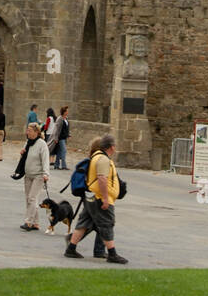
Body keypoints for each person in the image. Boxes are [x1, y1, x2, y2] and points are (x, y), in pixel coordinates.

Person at [65, 135, 128, 264]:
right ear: (111, 147)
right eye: (114, 146)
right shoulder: (103, 159)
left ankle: (71, 248)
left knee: (84, 223)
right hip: (100, 197)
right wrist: (105, 198)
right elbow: (102, 179)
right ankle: (112, 253)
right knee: (106, 224)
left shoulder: (96, 156)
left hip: (91, 196)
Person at [19, 122, 50, 230]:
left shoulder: (42, 144)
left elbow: (45, 159)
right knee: (29, 198)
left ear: (36, 132)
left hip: (38, 175)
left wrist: (46, 174)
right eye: (27, 130)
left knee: (32, 198)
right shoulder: (28, 142)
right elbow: (26, 156)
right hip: (28, 175)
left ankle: (28, 222)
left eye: (30, 130)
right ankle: (36, 223)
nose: (27, 132)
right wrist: (23, 153)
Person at [48, 106, 70, 170]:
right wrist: (55, 138)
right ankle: (64, 165)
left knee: (59, 152)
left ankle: (56, 165)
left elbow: (66, 128)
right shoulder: (60, 118)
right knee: (64, 151)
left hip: (64, 137)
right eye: (67, 111)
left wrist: (68, 134)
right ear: (64, 112)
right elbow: (56, 129)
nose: (68, 112)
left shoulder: (66, 118)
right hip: (60, 138)